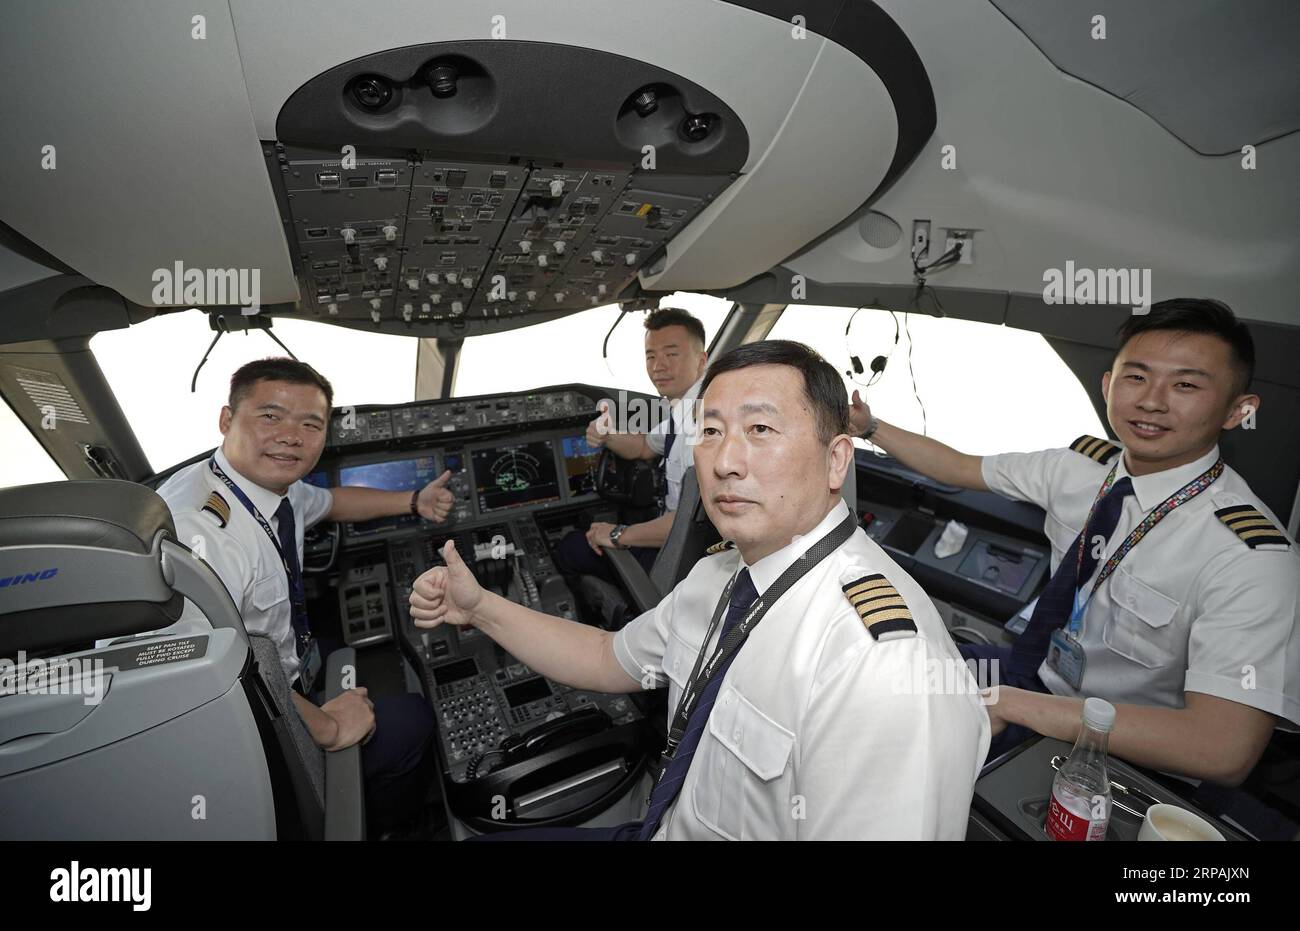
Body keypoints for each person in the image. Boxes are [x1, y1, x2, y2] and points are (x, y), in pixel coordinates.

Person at [411, 340, 989, 839]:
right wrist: (481, 608)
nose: (726, 461)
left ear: (836, 459)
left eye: (760, 429)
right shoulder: (719, 575)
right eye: (711, 431)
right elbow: (605, 657)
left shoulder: (880, 662)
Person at [849, 299, 1300, 788]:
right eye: (1136, 377)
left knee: (922, 780)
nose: (1152, 400)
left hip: (1124, 756)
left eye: (1186, 384)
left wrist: (1015, 705)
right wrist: (868, 427)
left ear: (1239, 410)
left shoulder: (1250, 558)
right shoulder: (1078, 467)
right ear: (1108, 385)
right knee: (878, 668)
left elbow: (1221, 747)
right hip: (1035, 674)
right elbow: (959, 467)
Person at [157, 357, 449, 834]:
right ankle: (390, 827)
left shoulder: (268, 486)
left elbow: (332, 502)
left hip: (286, 665)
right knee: (412, 721)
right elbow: (197, 674)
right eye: (270, 416)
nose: (292, 435)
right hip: (243, 713)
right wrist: (328, 727)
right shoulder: (200, 531)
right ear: (227, 419)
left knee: (344, 649)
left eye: (310, 423)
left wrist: (414, 501)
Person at [551, 307, 708, 587]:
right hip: (680, 543)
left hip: (683, 561)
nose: (658, 366)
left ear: (702, 359)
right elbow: (645, 446)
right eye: (651, 356)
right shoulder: (685, 408)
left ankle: (618, 624)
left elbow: (685, 525)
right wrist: (607, 435)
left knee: (570, 548)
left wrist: (617, 534)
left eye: (672, 354)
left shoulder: (701, 426)